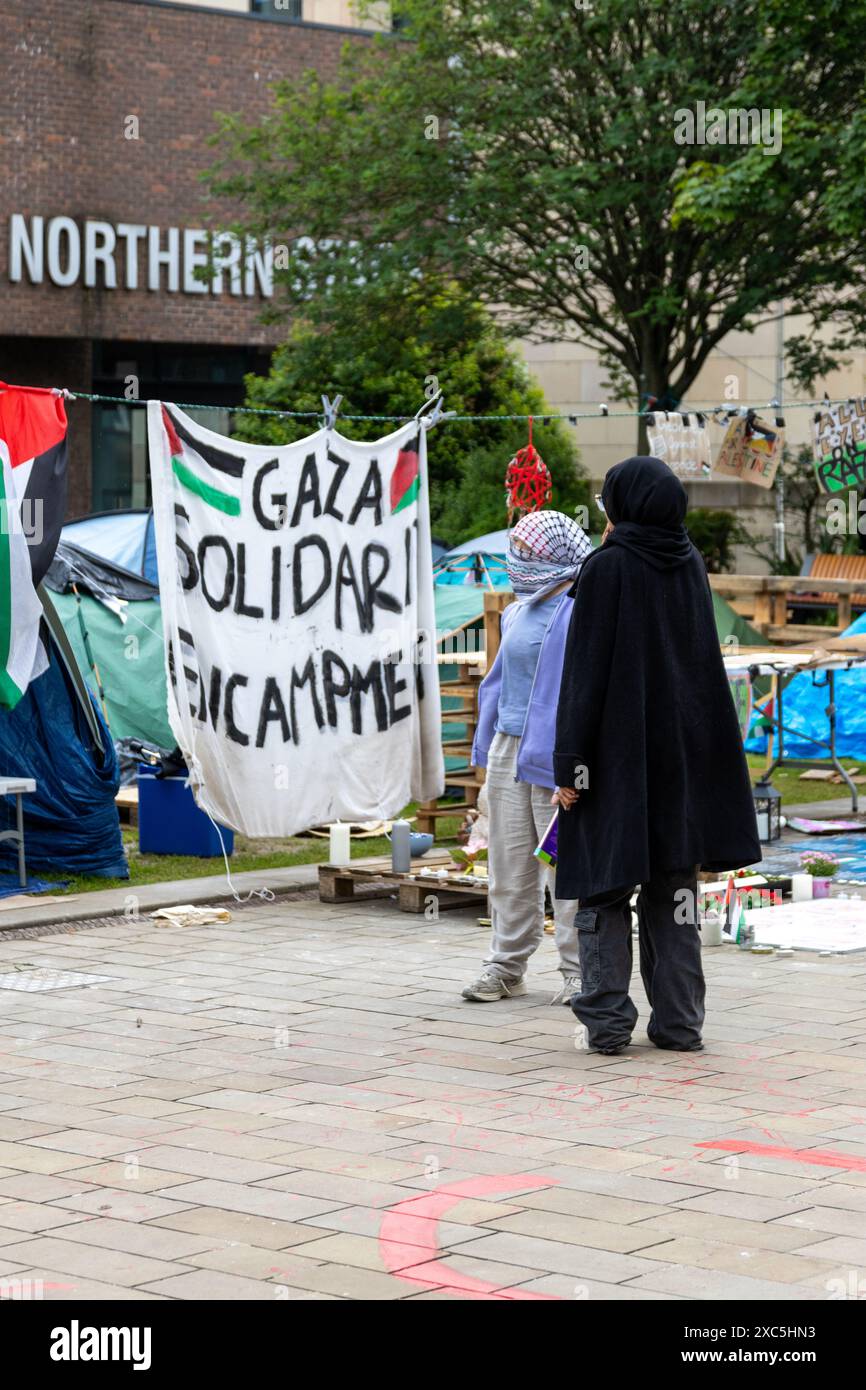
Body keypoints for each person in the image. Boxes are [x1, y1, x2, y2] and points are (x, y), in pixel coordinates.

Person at [553, 456, 761, 1053]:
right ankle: (679, 1024)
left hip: (615, 759)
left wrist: (572, 765)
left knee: (602, 889)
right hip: (680, 760)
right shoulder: (688, 561)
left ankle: (607, 1024)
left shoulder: (609, 568)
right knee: (674, 893)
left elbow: (583, 673)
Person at [463, 509, 593, 1004]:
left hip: (554, 757)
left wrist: (575, 763)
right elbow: (499, 680)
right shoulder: (518, 608)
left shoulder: (582, 608)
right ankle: (505, 965)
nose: (516, 559)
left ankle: (579, 971)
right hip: (509, 751)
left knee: (564, 866)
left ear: (550, 556)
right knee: (509, 865)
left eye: (526, 551)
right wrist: (488, 747)